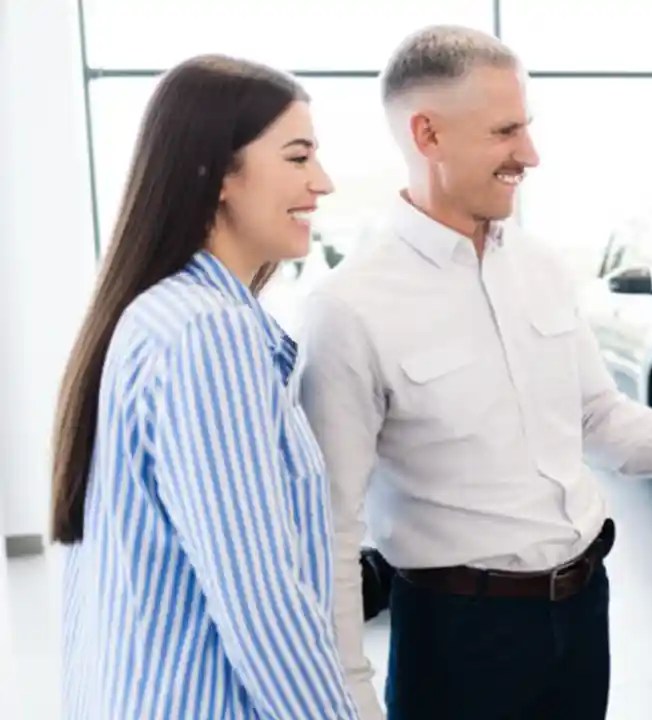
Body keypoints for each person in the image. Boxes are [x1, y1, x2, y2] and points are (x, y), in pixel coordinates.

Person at [296, 25, 652, 720]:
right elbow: (331, 526)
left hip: (581, 615)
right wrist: (351, 697)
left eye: (527, 127)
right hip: (456, 640)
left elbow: (600, 422)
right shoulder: (348, 308)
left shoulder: (538, 265)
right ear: (427, 134)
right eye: (505, 132)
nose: (530, 155)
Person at [50, 55, 358, 719]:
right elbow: (263, 604)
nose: (323, 182)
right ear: (217, 172)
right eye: (298, 157)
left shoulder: (157, 313)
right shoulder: (209, 334)